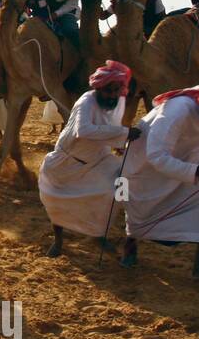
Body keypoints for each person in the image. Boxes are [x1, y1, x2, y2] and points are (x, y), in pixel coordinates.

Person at [119, 83, 199, 278]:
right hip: (146, 163)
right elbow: (156, 155)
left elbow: (198, 143)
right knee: (141, 210)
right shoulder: (176, 112)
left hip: (189, 158)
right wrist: (198, 171)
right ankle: (130, 247)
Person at [39, 61, 138, 257]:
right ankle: (58, 241)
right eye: (108, 90)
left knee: (121, 185)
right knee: (57, 204)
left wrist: (124, 140)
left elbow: (111, 131)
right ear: (98, 87)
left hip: (98, 158)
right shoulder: (86, 101)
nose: (112, 95)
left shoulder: (117, 102)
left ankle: (99, 233)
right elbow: (83, 131)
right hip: (67, 160)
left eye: (116, 90)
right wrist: (124, 133)